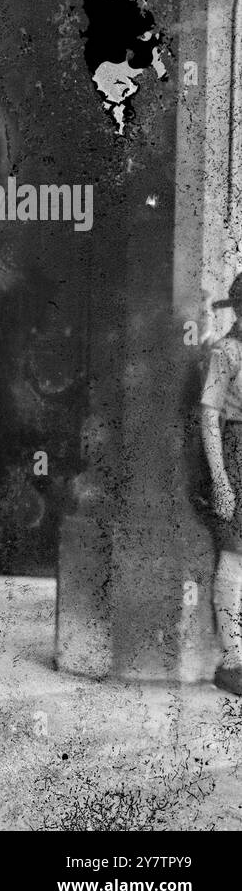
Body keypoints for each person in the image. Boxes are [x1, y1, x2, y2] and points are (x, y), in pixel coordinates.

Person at [200, 273, 242, 696]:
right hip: (237, 455)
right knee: (234, 559)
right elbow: (209, 416)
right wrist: (220, 479)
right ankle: (233, 659)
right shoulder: (226, 352)